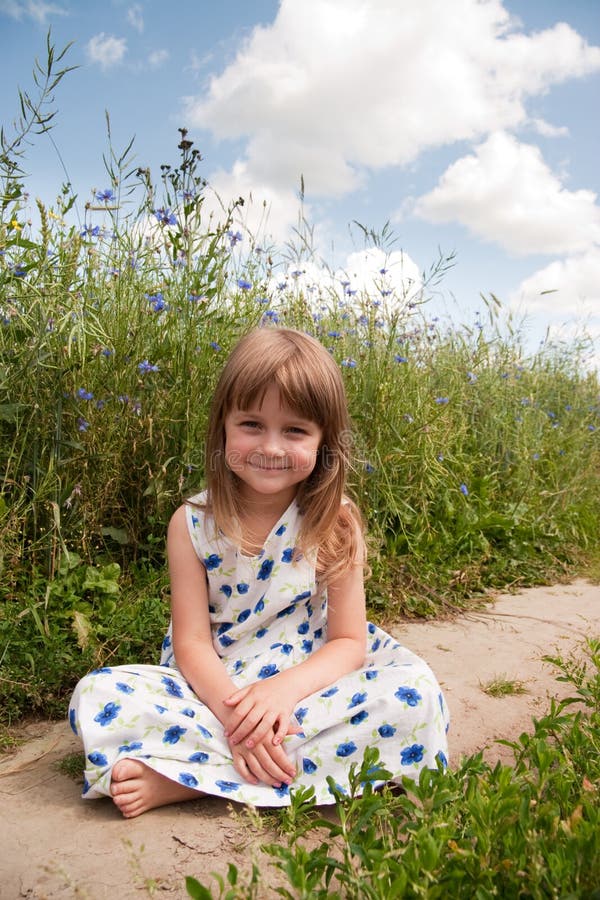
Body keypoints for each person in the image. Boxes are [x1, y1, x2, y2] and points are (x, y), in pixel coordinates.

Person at [69, 327, 449, 818]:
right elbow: (191, 645)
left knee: (414, 697)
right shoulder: (191, 523)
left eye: (294, 430)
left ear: (323, 442)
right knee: (96, 697)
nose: (271, 446)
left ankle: (192, 780)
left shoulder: (335, 518)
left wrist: (280, 693)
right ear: (223, 426)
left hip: (310, 682)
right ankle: (261, 762)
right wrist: (236, 715)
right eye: (251, 424)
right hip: (215, 686)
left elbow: (349, 644)